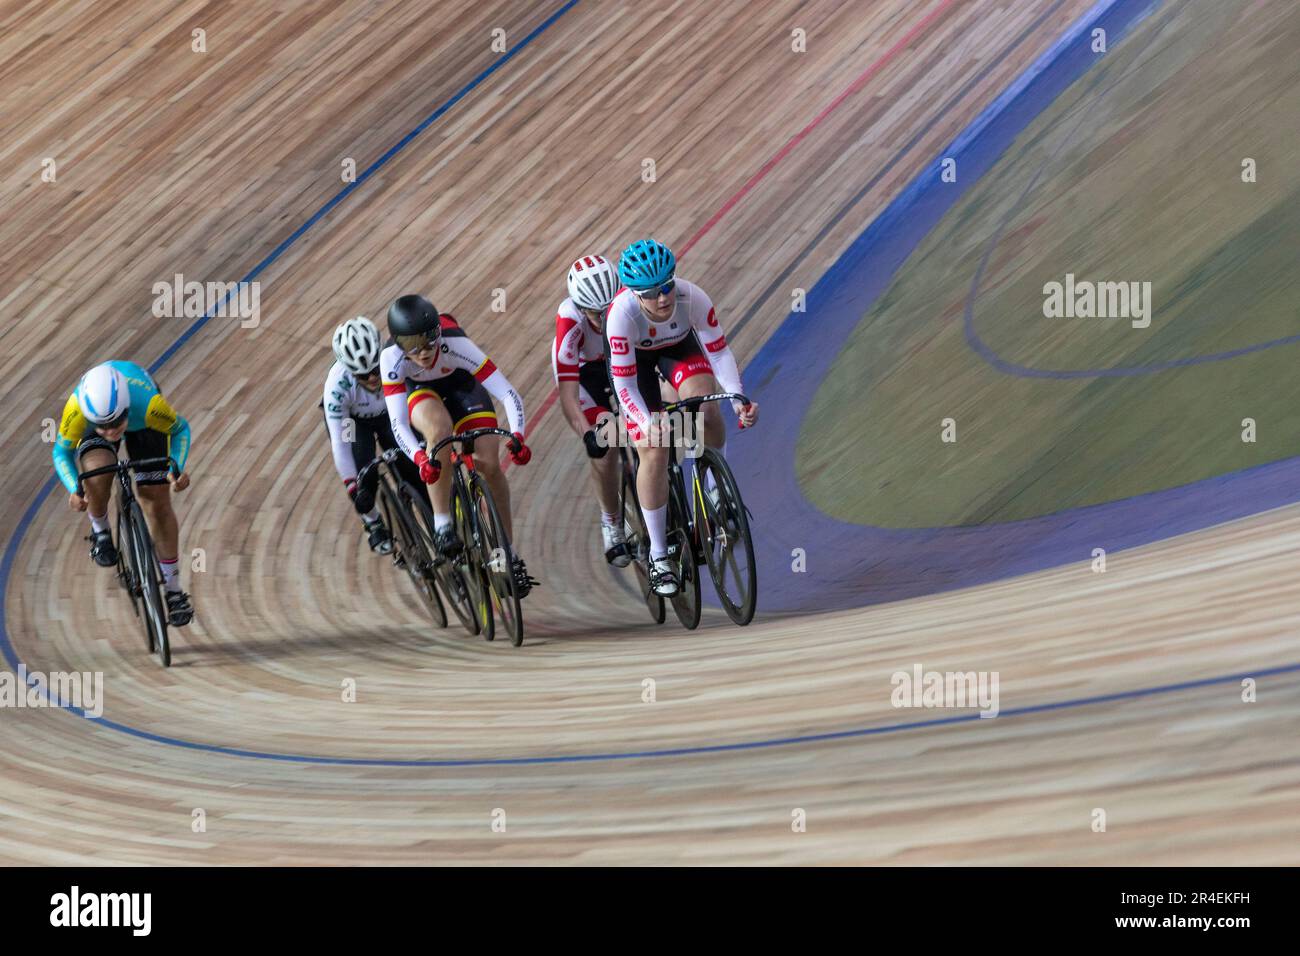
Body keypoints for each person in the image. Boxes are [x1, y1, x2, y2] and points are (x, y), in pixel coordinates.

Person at [605, 239, 759, 595]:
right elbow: (625, 384)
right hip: (635, 367)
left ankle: (714, 491)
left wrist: (738, 399)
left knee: (705, 404)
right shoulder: (621, 317)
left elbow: (719, 354)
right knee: (654, 447)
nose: (663, 298)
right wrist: (647, 423)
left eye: (667, 287)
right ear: (634, 294)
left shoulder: (693, 298)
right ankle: (660, 557)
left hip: (678, 348)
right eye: (652, 293)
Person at [379, 294, 537, 595]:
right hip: (421, 393)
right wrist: (420, 459)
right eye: (412, 346)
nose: (423, 352)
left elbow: (508, 393)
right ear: (399, 345)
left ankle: (509, 553)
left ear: (438, 333)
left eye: (428, 341)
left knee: (489, 464)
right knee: (438, 433)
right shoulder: (391, 360)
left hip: (463, 387)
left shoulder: (457, 345)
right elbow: (398, 422)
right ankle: (443, 524)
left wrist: (517, 436)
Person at [52, 361, 195, 625]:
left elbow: (180, 430)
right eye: (102, 426)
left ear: (126, 408)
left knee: (157, 503)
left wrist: (176, 468)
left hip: (144, 425)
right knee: (96, 472)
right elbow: (61, 452)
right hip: (99, 424)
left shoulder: (149, 405)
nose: (109, 431)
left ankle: (174, 591)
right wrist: (75, 488)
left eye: (115, 422)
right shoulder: (77, 411)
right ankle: (101, 532)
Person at [323, 316, 426, 555]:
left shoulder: (395, 358)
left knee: (416, 467)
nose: (371, 378)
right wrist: (354, 489)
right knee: (363, 475)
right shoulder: (336, 387)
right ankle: (372, 521)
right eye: (363, 375)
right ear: (349, 372)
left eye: (374, 370)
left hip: (390, 411)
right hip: (353, 422)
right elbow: (340, 445)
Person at [552, 254, 630, 567]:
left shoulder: (628, 298)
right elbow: (568, 394)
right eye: (597, 314)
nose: (606, 317)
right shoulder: (569, 319)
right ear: (581, 307)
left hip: (624, 361)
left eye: (609, 309)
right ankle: (611, 522)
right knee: (606, 444)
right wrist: (588, 435)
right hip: (585, 374)